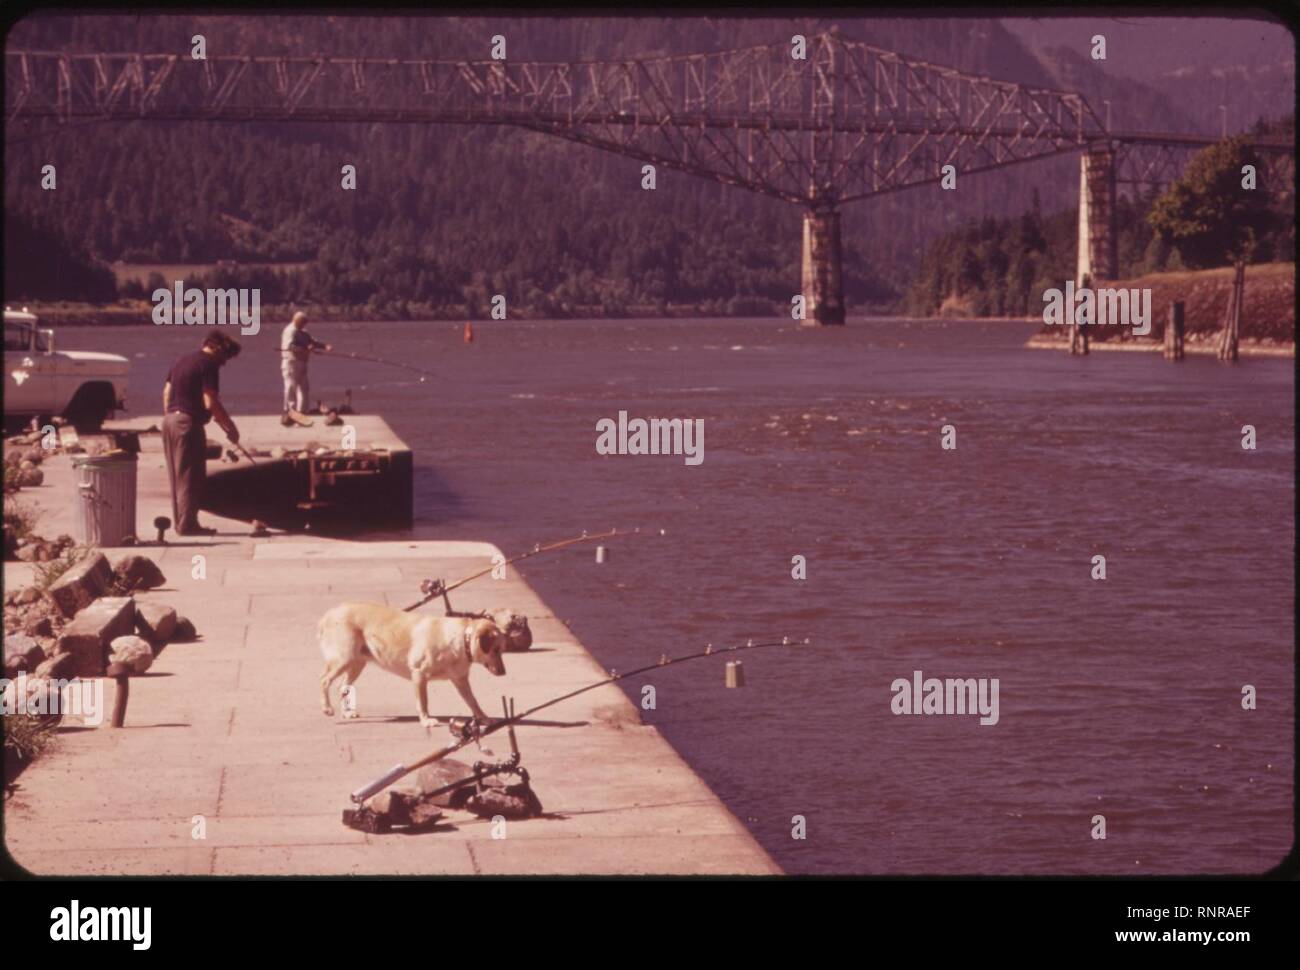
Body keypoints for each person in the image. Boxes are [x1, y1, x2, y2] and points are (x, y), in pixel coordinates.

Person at [161, 332, 241, 537]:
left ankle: (182, 522)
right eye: (225, 357)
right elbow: (210, 402)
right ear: (217, 348)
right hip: (188, 424)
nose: (224, 363)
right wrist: (230, 427)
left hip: (170, 420)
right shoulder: (208, 365)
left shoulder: (181, 360)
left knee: (176, 475)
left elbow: (167, 392)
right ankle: (188, 525)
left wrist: (171, 416)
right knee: (191, 476)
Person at [280, 311, 331, 421]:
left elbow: (311, 341)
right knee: (290, 386)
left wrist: (324, 346)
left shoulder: (302, 331)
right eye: (302, 323)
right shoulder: (290, 331)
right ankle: (290, 411)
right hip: (291, 362)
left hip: (302, 362)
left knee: (303, 388)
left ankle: (302, 410)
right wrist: (306, 349)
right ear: (297, 321)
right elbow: (291, 347)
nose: (304, 326)